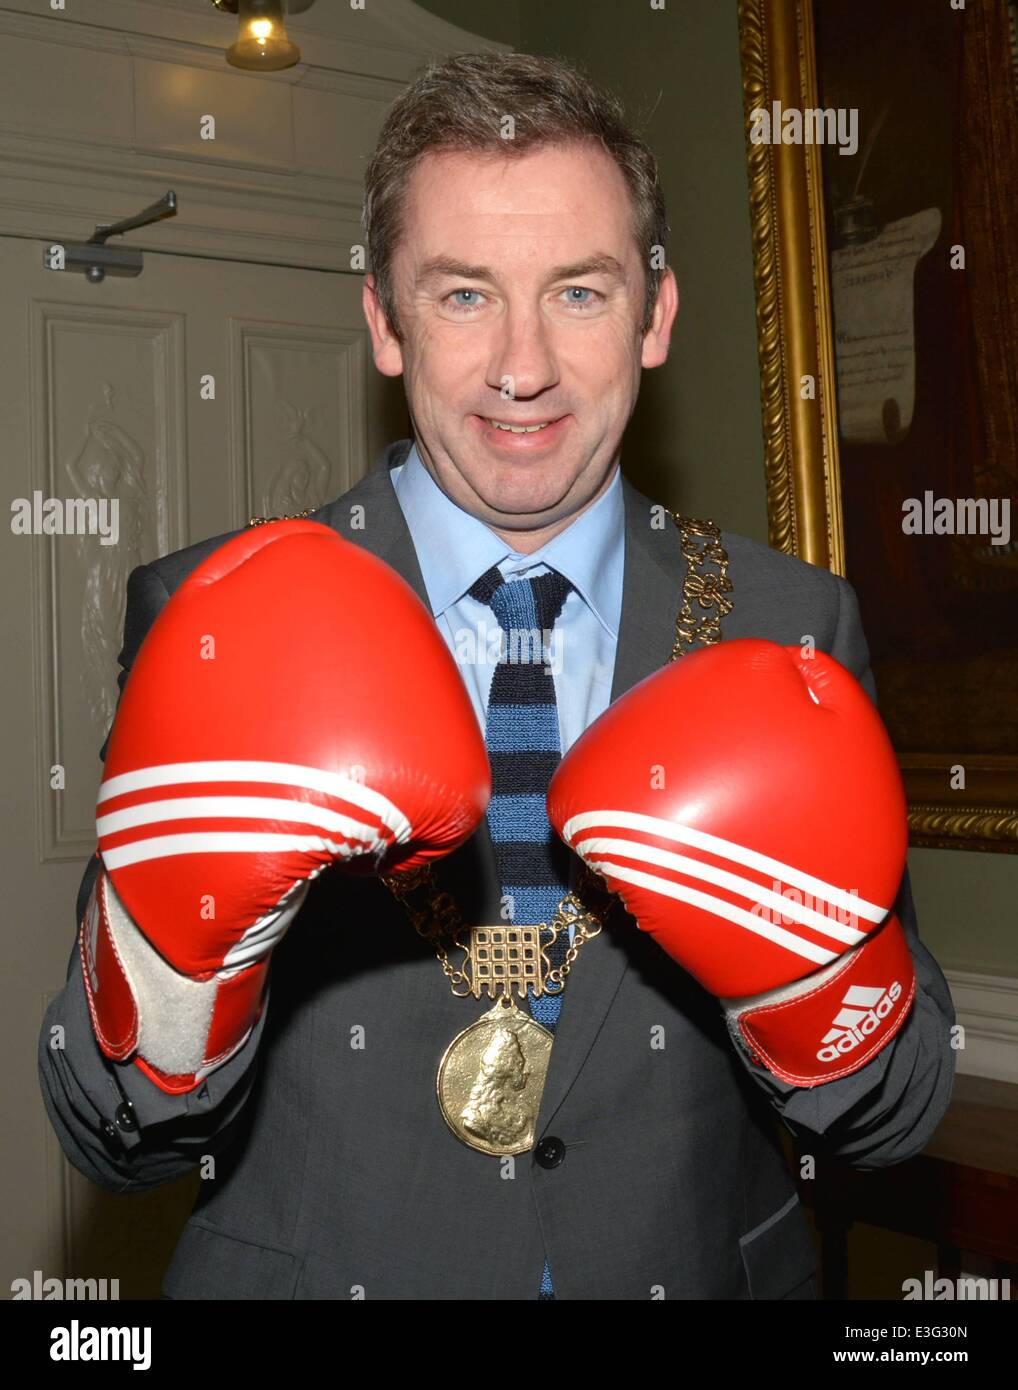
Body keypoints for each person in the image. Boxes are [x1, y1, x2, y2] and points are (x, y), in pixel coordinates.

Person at [39, 51, 955, 1301]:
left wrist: (811, 987)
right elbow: (115, 1132)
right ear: (382, 319)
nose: (520, 368)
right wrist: (173, 969)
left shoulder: (790, 620)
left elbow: (889, 1116)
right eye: (463, 295)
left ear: (656, 313)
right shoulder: (206, 616)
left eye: (578, 293)